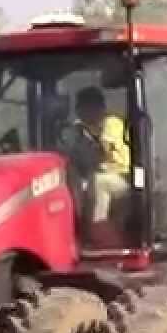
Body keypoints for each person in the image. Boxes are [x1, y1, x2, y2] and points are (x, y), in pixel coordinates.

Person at [71, 86, 131, 228]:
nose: (79, 112)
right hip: (108, 176)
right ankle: (76, 225)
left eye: (83, 107)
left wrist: (84, 137)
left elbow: (100, 154)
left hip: (125, 178)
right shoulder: (89, 130)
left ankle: (98, 229)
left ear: (98, 108)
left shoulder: (111, 123)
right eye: (78, 108)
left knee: (98, 181)